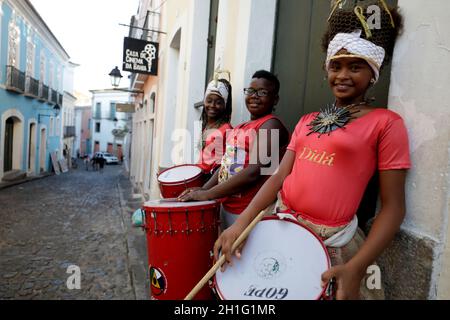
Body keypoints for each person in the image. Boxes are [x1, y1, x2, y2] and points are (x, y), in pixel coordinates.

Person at [214, 3, 409, 300]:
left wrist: (356, 267)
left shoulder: (385, 123)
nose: (343, 75)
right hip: (279, 226)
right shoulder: (307, 121)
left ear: (373, 73)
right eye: (336, 66)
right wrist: (241, 225)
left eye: (355, 67)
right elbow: (278, 177)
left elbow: (393, 207)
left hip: (333, 242)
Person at [179, 70, 290, 231]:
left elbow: (254, 172)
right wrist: (204, 189)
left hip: (248, 213)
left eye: (263, 92)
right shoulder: (240, 127)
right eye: (251, 91)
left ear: (275, 99)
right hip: (228, 206)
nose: (254, 96)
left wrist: (208, 194)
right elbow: (225, 164)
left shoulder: (271, 125)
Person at [197, 77, 233, 177]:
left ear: (225, 105)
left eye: (218, 102)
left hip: (210, 180)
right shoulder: (205, 125)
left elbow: (226, 165)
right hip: (199, 175)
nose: (212, 105)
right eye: (209, 101)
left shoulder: (227, 129)